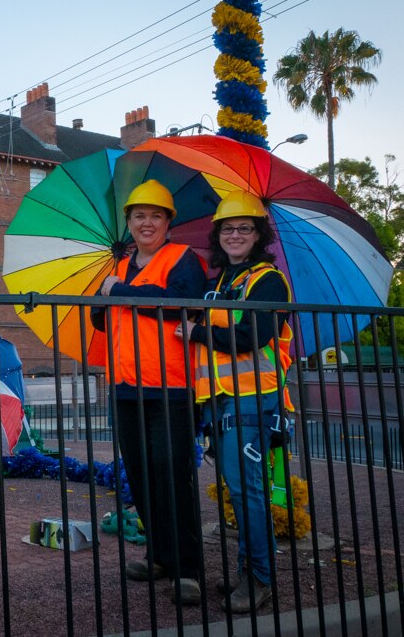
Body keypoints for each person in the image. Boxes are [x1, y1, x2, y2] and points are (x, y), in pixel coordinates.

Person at [176, 190, 293, 614]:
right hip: (221, 402)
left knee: (248, 492)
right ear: (218, 234)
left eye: (245, 227)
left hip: (253, 401)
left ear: (259, 234)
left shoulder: (268, 280)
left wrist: (196, 332)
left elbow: (252, 338)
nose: (235, 234)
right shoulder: (223, 281)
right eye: (228, 228)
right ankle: (249, 570)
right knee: (241, 490)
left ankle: (259, 579)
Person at [91, 179, 207, 604]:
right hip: (124, 388)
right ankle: (161, 556)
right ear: (129, 222)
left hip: (170, 389)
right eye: (139, 215)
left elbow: (184, 301)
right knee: (140, 476)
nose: (146, 222)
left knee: (173, 478)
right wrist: (104, 305)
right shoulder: (118, 269)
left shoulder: (182, 259)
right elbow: (104, 322)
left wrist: (119, 294)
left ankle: (189, 569)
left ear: (168, 224)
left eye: (155, 216)